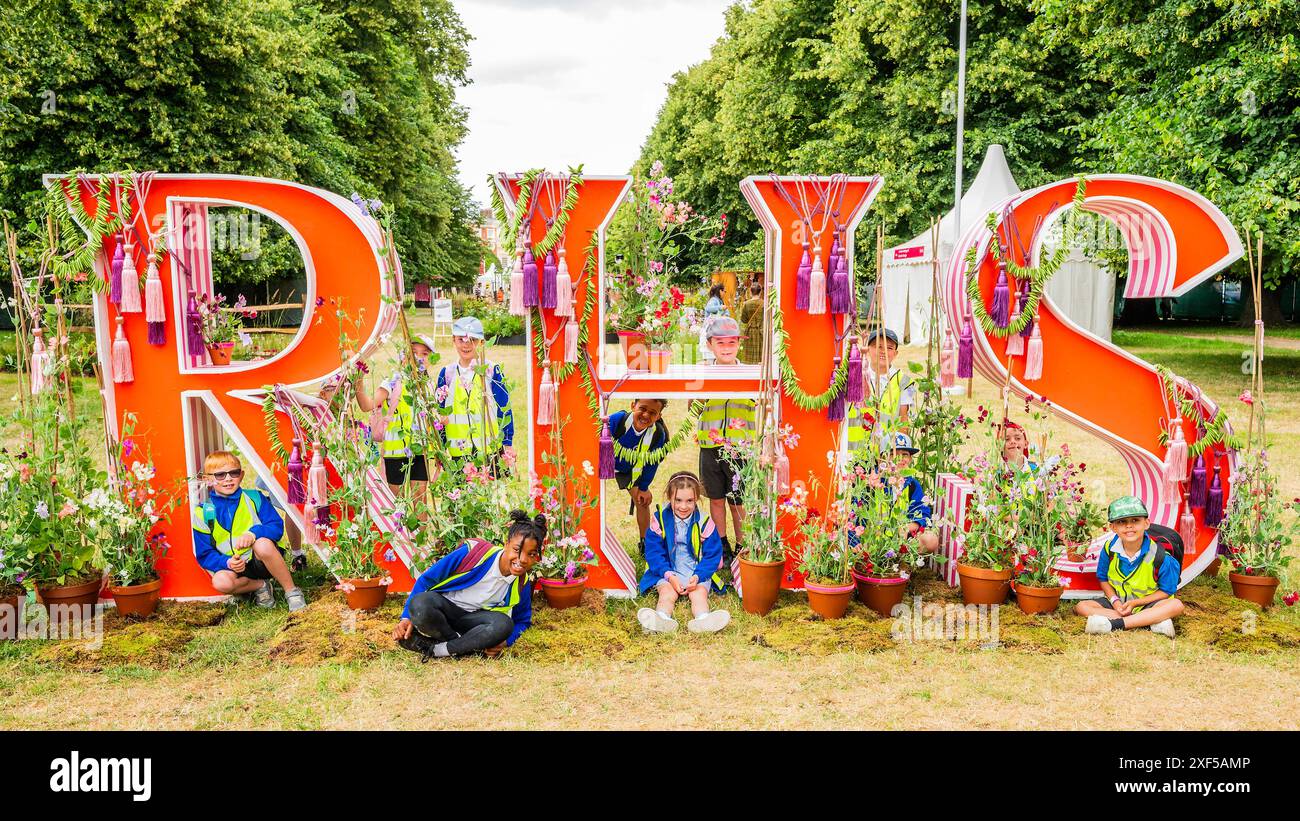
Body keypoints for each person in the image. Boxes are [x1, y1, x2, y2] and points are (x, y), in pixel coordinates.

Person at [392, 510, 545, 660]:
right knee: (420, 604)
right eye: (517, 550)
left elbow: (522, 621)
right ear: (506, 544)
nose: (523, 559)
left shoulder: (521, 582)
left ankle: (437, 649)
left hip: (473, 623)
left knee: (504, 624)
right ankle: (464, 646)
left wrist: (505, 642)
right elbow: (426, 579)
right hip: (445, 613)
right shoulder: (473, 553)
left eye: (531, 554)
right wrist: (406, 617)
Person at [192, 451, 307, 611]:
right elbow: (204, 554)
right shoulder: (203, 512)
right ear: (207, 479)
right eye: (220, 475)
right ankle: (260, 586)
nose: (228, 478)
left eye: (234, 472)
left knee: (262, 544)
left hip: (262, 561)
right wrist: (226, 562)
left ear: (241, 475)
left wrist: (254, 533)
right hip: (233, 566)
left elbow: (276, 526)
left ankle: (292, 592)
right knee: (221, 582)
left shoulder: (255, 498)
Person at [1075, 496, 1184, 638]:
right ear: (1113, 527)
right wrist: (1115, 602)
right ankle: (1149, 621)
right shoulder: (1109, 549)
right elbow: (1103, 578)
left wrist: (1136, 603)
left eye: (1135, 520)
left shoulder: (1161, 556)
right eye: (1122, 522)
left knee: (1176, 605)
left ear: (1146, 523)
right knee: (1081, 607)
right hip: (1118, 604)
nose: (1129, 526)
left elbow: (1167, 591)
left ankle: (1115, 624)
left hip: (1149, 604)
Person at [636, 472, 731, 634]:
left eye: (689, 501)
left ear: (697, 499)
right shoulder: (659, 520)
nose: (683, 506)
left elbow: (712, 555)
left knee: (699, 594)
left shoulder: (704, 522)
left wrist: (698, 576)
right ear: (669, 497)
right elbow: (654, 553)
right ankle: (660, 618)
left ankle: (703, 620)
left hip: (695, 570)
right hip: (668, 570)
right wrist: (669, 576)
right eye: (678, 500)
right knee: (667, 593)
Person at [696, 316, 756, 559]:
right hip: (710, 448)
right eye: (721, 343)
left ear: (739, 345)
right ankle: (721, 544)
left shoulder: (751, 374)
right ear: (710, 345)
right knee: (716, 498)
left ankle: (742, 544)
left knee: (738, 501)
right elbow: (695, 406)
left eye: (732, 342)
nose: (727, 347)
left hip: (739, 449)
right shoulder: (702, 374)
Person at [355, 333, 440, 495]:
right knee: (397, 505)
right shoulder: (392, 383)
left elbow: (432, 421)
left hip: (419, 452)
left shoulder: (428, 386)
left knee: (420, 502)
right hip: (395, 453)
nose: (418, 358)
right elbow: (366, 406)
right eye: (413, 352)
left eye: (425, 354)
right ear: (403, 356)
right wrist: (358, 379)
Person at [434, 316, 515, 476]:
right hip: (458, 454)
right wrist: (440, 448)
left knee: (490, 498)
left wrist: (507, 442)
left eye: (473, 340)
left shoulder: (492, 371)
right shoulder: (447, 374)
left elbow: (504, 408)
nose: (467, 344)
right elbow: (439, 414)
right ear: (453, 340)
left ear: (482, 343)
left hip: (489, 451)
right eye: (461, 339)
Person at [608, 398, 671, 551]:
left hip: (630, 469)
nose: (645, 415)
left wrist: (643, 487)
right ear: (632, 405)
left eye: (652, 413)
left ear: (659, 416)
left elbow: (651, 464)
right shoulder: (617, 420)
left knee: (642, 501)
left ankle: (645, 543)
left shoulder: (657, 435)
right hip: (605, 462)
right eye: (642, 409)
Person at [846, 328, 917, 453]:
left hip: (885, 453)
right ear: (868, 350)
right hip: (855, 453)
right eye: (878, 346)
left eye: (889, 348)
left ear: (895, 353)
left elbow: (903, 420)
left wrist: (897, 452)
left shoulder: (903, 381)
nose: (883, 351)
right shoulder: (857, 375)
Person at [738, 281, 764, 365]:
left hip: (749, 331)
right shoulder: (764, 304)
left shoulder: (746, 304)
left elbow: (744, 320)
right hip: (761, 331)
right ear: (760, 292)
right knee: (760, 352)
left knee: (749, 355)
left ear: (751, 291)